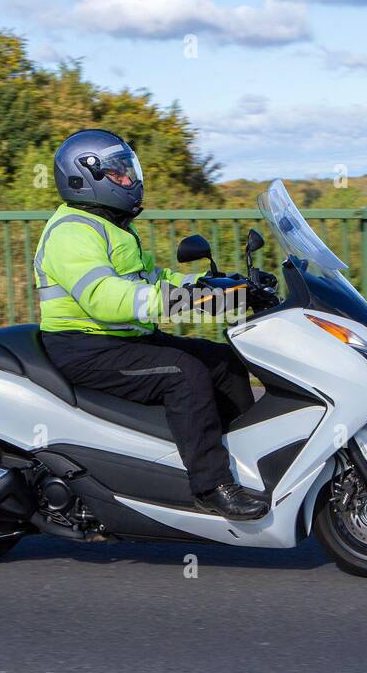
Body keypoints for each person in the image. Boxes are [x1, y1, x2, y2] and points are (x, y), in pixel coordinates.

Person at [34, 129, 269, 521]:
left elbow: (150, 279)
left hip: (120, 339)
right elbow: (106, 298)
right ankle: (211, 486)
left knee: (224, 362)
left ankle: (245, 459)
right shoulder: (72, 231)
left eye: (128, 170)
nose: (130, 179)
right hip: (85, 346)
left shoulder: (111, 225)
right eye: (119, 173)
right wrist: (184, 302)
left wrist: (210, 286)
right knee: (184, 374)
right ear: (85, 177)